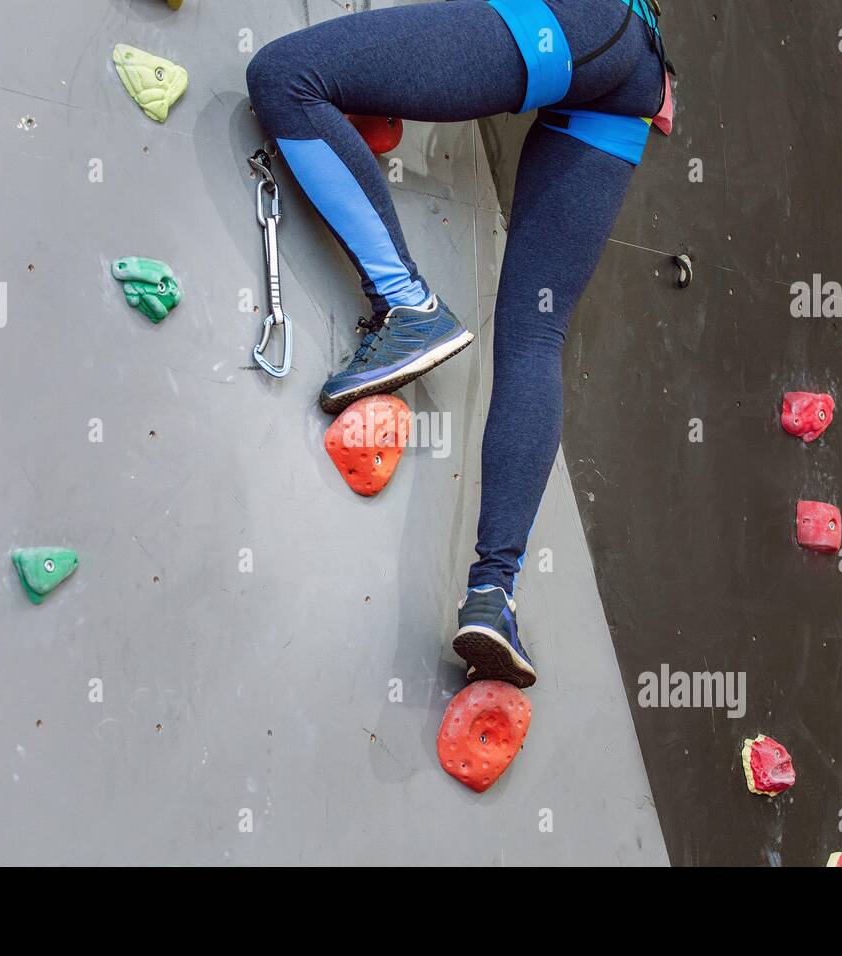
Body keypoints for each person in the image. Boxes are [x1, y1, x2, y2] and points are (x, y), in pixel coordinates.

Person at [246, 0, 670, 688]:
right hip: (631, 66)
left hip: (572, 24)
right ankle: (494, 595)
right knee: (537, 333)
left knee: (287, 75)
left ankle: (407, 304)